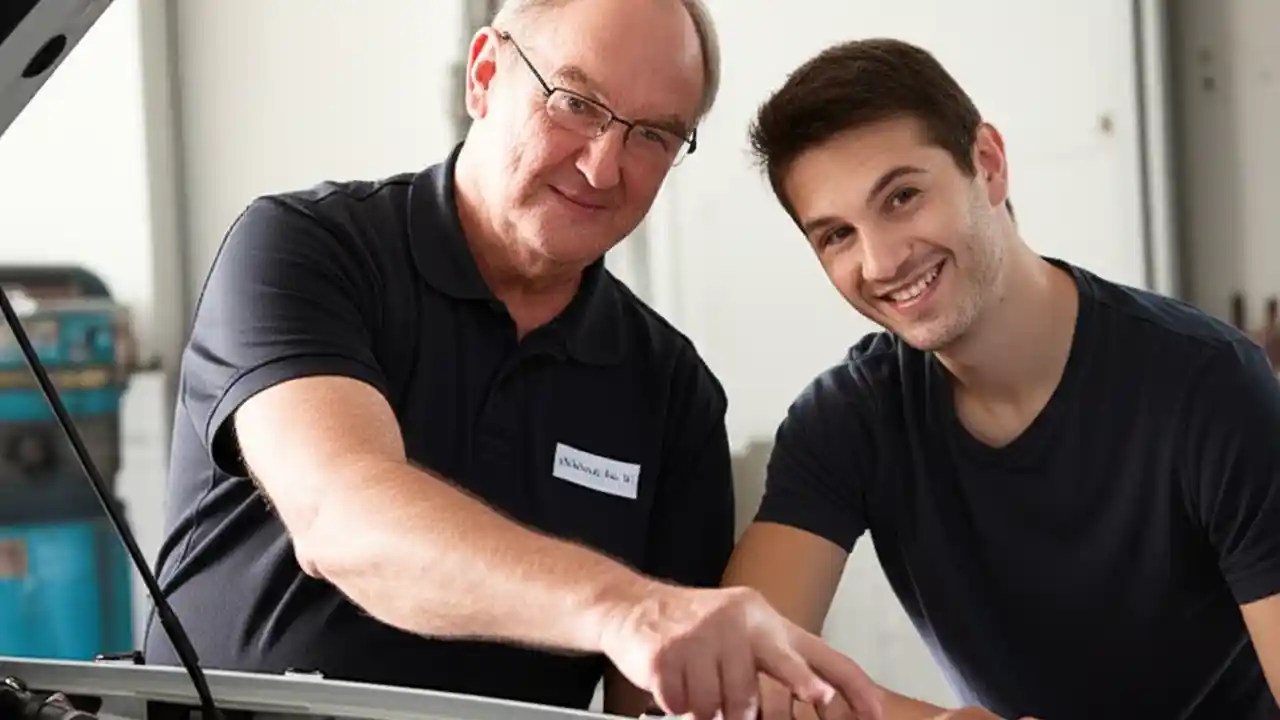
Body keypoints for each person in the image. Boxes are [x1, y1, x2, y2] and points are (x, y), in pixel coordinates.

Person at [144, 2, 884, 719]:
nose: (602, 168)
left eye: (654, 135)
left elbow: (659, 695)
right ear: (485, 75)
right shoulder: (306, 250)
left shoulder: (671, 388)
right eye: (576, 104)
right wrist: (627, 609)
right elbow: (343, 520)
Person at [724, 37, 1280, 720]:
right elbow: (743, 675)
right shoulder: (846, 418)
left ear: (987, 165)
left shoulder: (1210, 386)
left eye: (902, 197)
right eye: (836, 235)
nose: (882, 261)